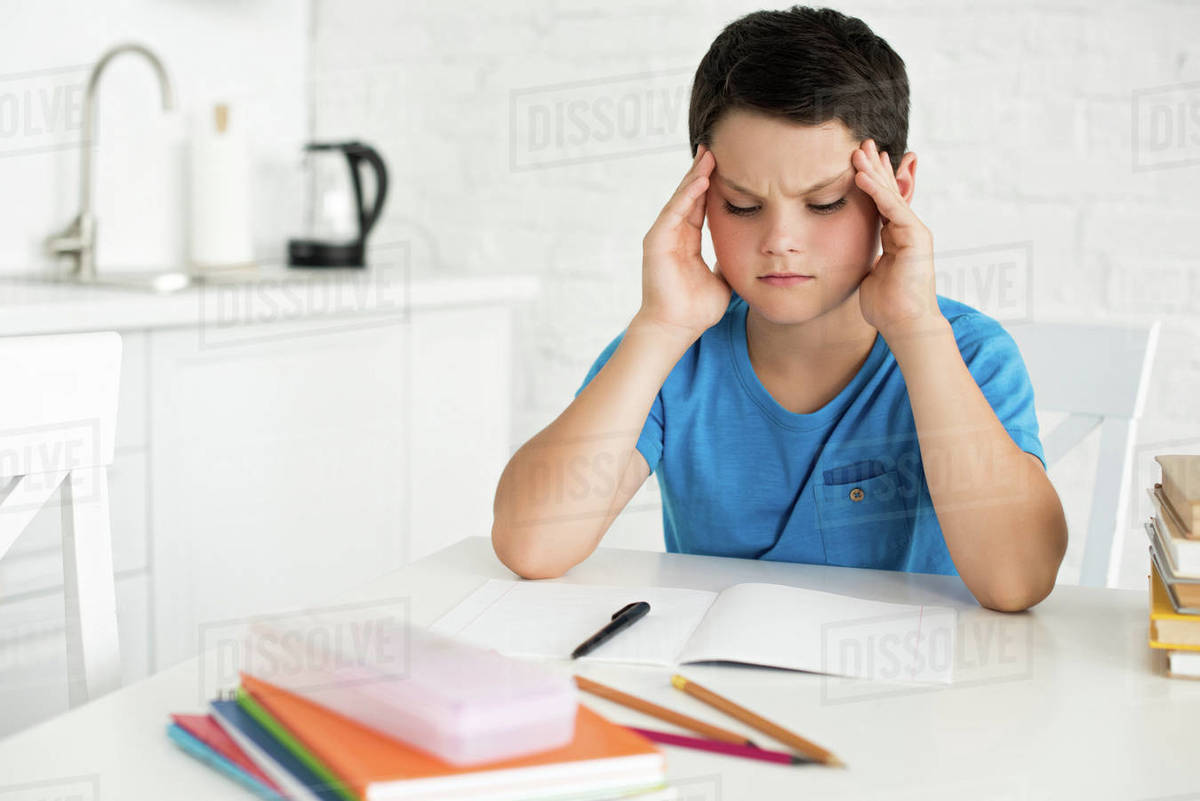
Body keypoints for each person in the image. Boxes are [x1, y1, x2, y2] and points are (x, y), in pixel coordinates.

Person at [491, 5, 1067, 612]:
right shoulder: (674, 352)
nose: (780, 241)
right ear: (699, 194)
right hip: (717, 691)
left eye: (823, 204)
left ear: (895, 189)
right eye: (741, 205)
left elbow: (1017, 580)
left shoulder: (969, 353)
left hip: (904, 695)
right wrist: (661, 327)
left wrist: (917, 329)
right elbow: (532, 545)